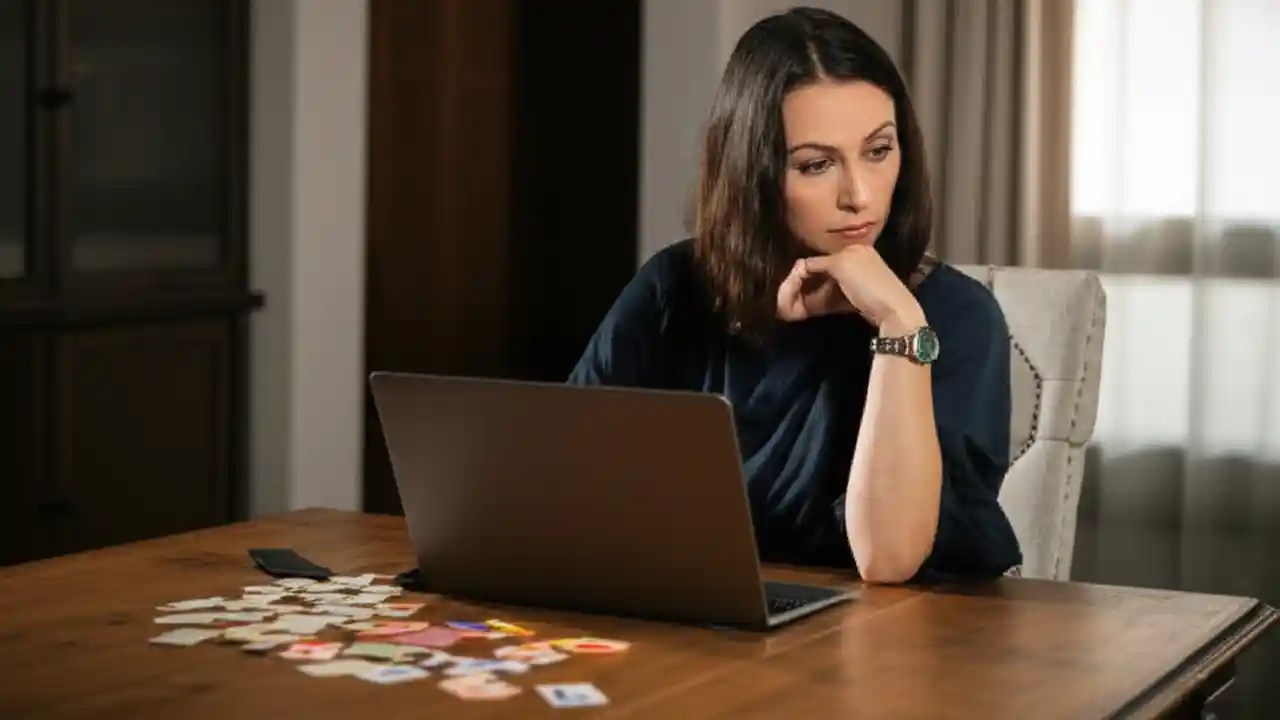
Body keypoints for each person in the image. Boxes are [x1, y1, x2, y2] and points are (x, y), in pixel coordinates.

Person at [568, 7, 1021, 583]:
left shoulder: (957, 317)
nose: (859, 195)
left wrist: (902, 326)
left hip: (891, 648)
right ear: (752, 173)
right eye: (816, 164)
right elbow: (568, 486)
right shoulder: (674, 289)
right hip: (694, 626)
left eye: (878, 151)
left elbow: (888, 559)